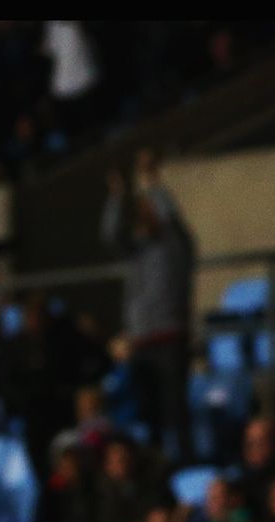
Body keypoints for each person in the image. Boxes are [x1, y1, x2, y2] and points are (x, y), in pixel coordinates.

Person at [101, 150, 194, 461]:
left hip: (169, 338)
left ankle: (181, 463)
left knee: (174, 412)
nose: (145, 216)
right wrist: (118, 196)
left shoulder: (176, 247)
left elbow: (173, 220)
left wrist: (152, 184)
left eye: (149, 210)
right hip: (140, 341)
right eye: (142, 211)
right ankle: (154, 465)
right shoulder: (134, 251)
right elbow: (111, 235)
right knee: (147, 412)